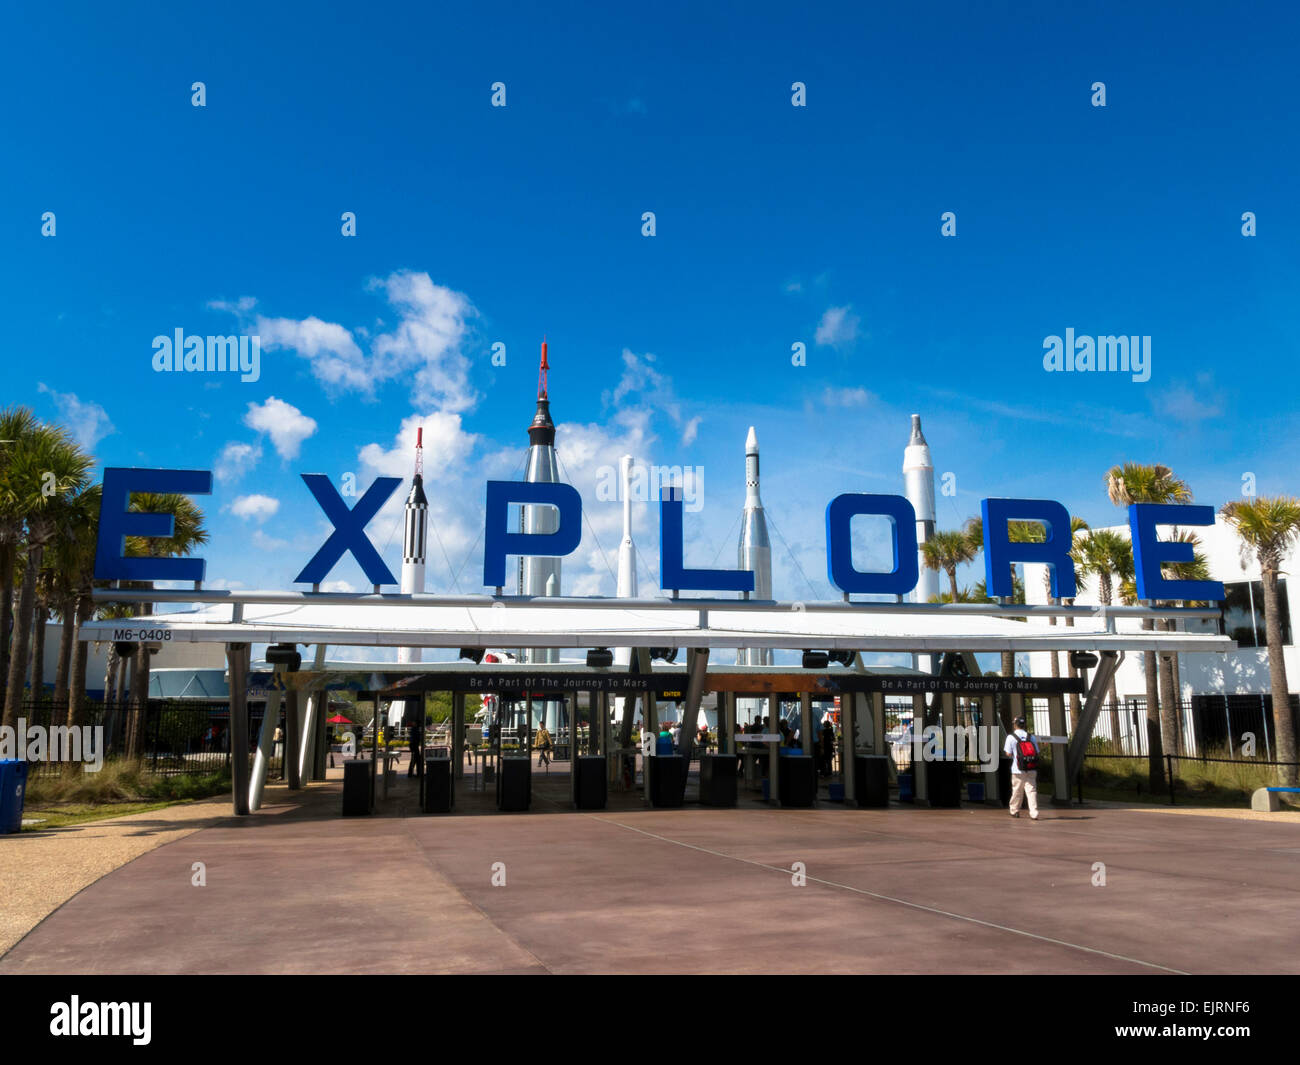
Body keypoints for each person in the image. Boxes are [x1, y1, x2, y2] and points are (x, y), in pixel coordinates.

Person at [1004, 716, 1040, 820]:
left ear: (1015, 724)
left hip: (1017, 769)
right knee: (1031, 790)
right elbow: (1037, 752)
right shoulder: (1031, 737)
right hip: (1031, 768)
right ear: (1024, 725)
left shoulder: (1011, 737)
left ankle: (1014, 810)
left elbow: (1008, 753)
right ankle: (1034, 812)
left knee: (1017, 790)